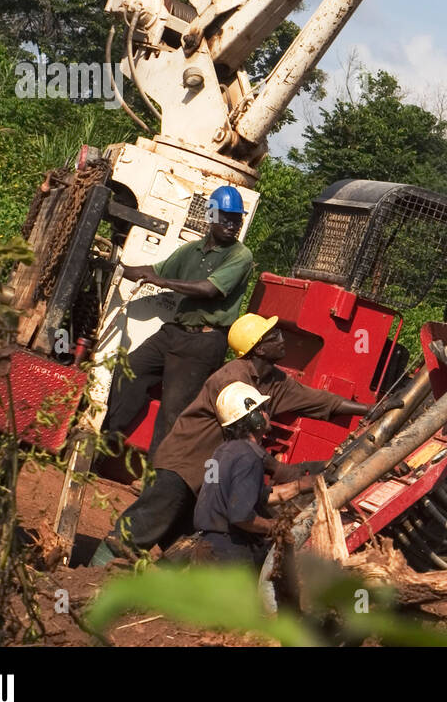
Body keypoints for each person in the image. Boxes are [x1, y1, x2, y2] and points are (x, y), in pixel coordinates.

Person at [88, 312, 399, 566]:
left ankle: (162, 595)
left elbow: (321, 402)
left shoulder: (275, 381)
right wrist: (278, 467)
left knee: (192, 538)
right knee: (145, 524)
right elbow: (241, 433)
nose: (282, 339)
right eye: (273, 336)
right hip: (183, 464)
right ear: (258, 349)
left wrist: (372, 408)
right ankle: (89, 575)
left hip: (209, 474)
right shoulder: (232, 379)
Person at [104, 185, 254, 461]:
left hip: (204, 341)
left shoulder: (240, 255)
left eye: (237, 219)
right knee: (129, 369)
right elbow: (156, 271)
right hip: (174, 332)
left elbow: (209, 289)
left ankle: (155, 480)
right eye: (226, 218)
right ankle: (109, 439)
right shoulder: (192, 250)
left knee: (173, 410)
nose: (233, 225)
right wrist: (119, 268)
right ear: (211, 215)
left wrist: (163, 283)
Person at [190, 381, 289, 565]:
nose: (268, 413)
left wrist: (301, 486)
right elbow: (241, 516)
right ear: (254, 417)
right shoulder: (248, 457)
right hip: (228, 553)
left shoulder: (223, 451)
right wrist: (275, 527)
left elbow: (247, 495)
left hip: (206, 546)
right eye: (263, 409)